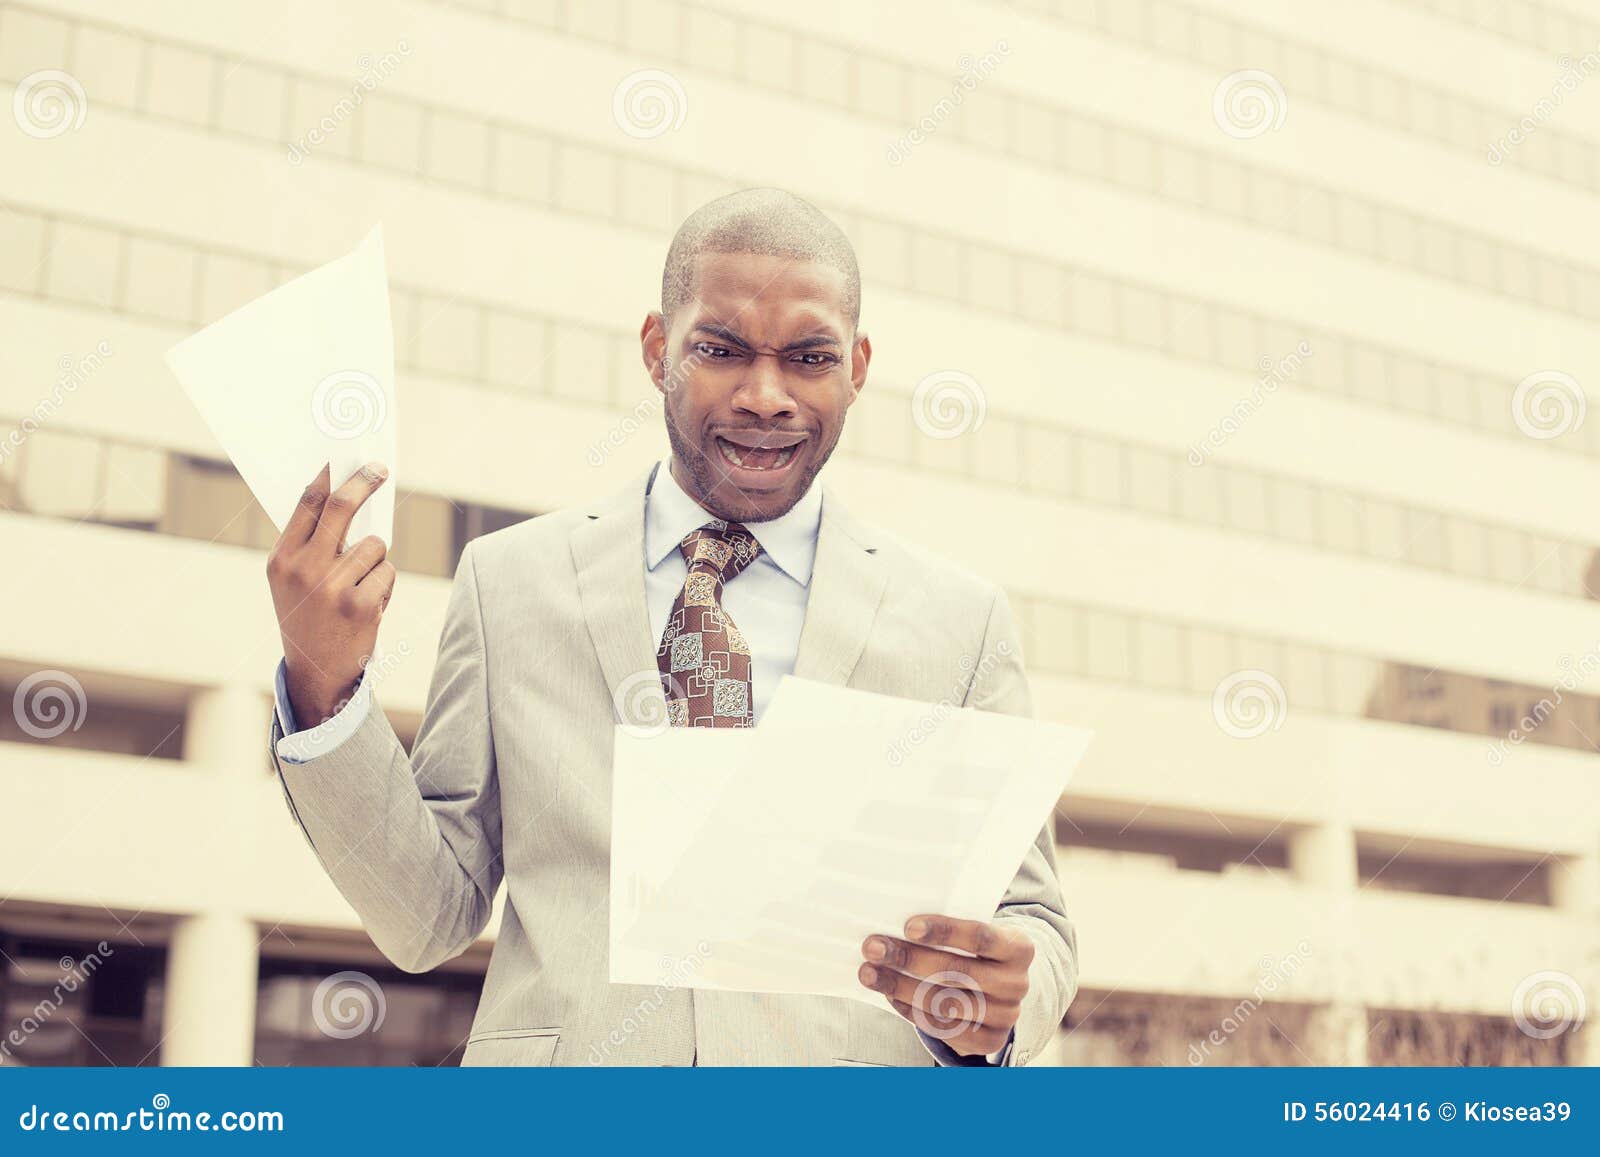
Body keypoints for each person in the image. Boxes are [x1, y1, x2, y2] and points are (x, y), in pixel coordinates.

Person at [265, 188, 1075, 1066]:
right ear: (658, 350)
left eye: (810, 357)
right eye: (720, 349)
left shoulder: (959, 621)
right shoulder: (509, 583)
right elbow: (428, 915)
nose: (765, 396)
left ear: (858, 367)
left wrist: (1002, 1003)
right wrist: (323, 683)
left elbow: (1030, 915)